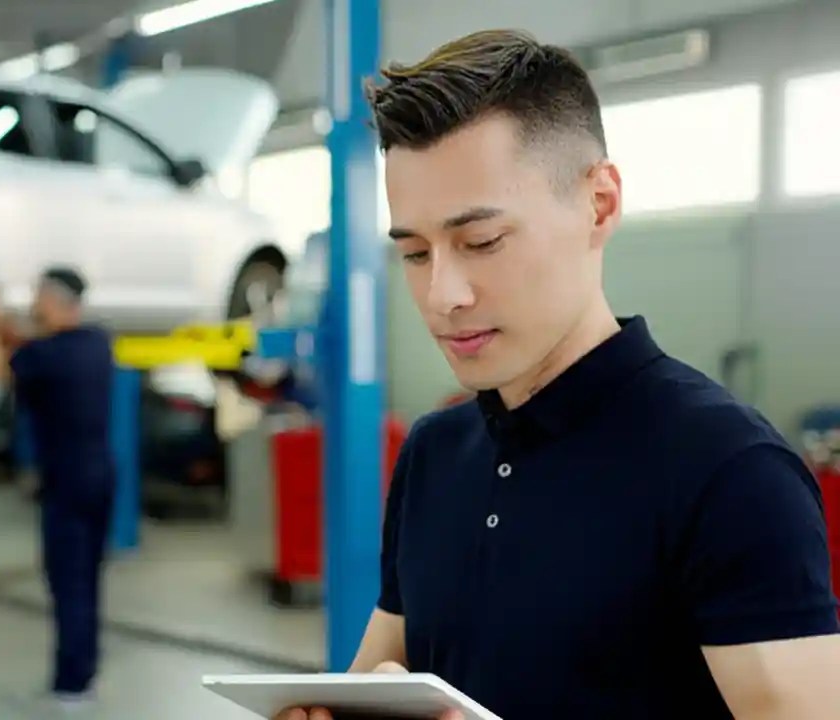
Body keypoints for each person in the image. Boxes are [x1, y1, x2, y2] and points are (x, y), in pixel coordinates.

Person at [279, 29, 840, 720]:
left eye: (481, 242)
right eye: (416, 254)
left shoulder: (727, 470)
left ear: (598, 204)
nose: (441, 295)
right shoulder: (434, 453)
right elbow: (369, 679)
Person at [0, 266, 115, 709]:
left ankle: (71, 688)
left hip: (68, 481)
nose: (34, 306)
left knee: (67, 582)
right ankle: (82, 676)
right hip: (101, 476)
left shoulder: (47, 357)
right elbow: (28, 345)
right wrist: (5, 324)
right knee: (88, 580)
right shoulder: (96, 343)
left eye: (38, 298)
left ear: (55, 303)